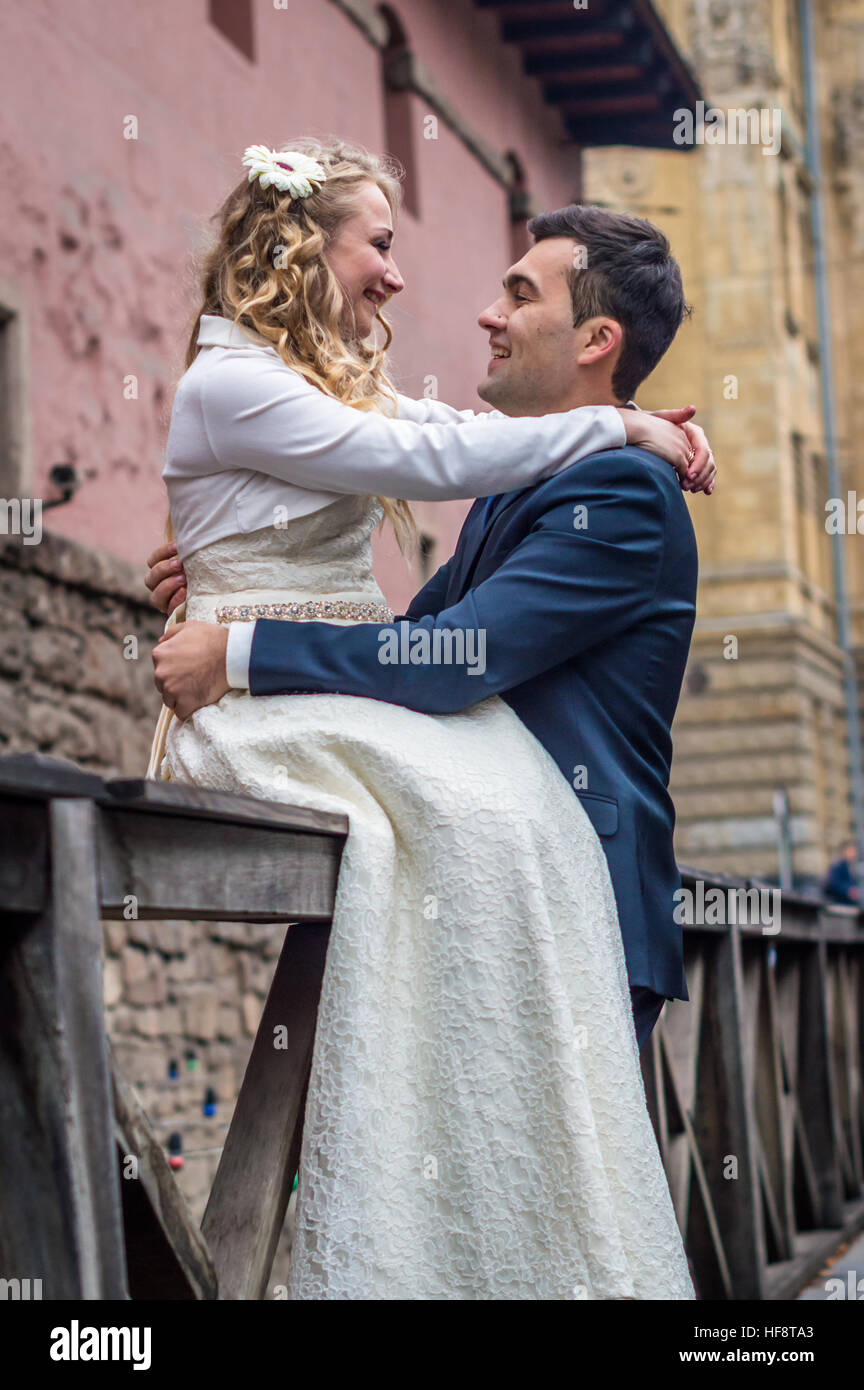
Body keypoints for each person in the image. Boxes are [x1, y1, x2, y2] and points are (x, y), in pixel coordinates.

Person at [147, 137, 713, 1300]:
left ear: (596, 341)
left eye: (520, 292)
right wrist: (225, 575)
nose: (483, 312)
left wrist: (241, 646)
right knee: (492, 1217)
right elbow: (404, 639)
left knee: (544, 1216)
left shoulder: (619, 490)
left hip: (575, 892)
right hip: (501, 883)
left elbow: (448, 661)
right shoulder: (534, 485)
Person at [824, 839, 860, 905]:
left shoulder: (851, 865)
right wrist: (848, 890)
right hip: (839, 902)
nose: (854, 853)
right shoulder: (839, 865)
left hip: (850, 903)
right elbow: (834, 883)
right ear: (845, 851)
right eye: (851, 851)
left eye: (854, 851)